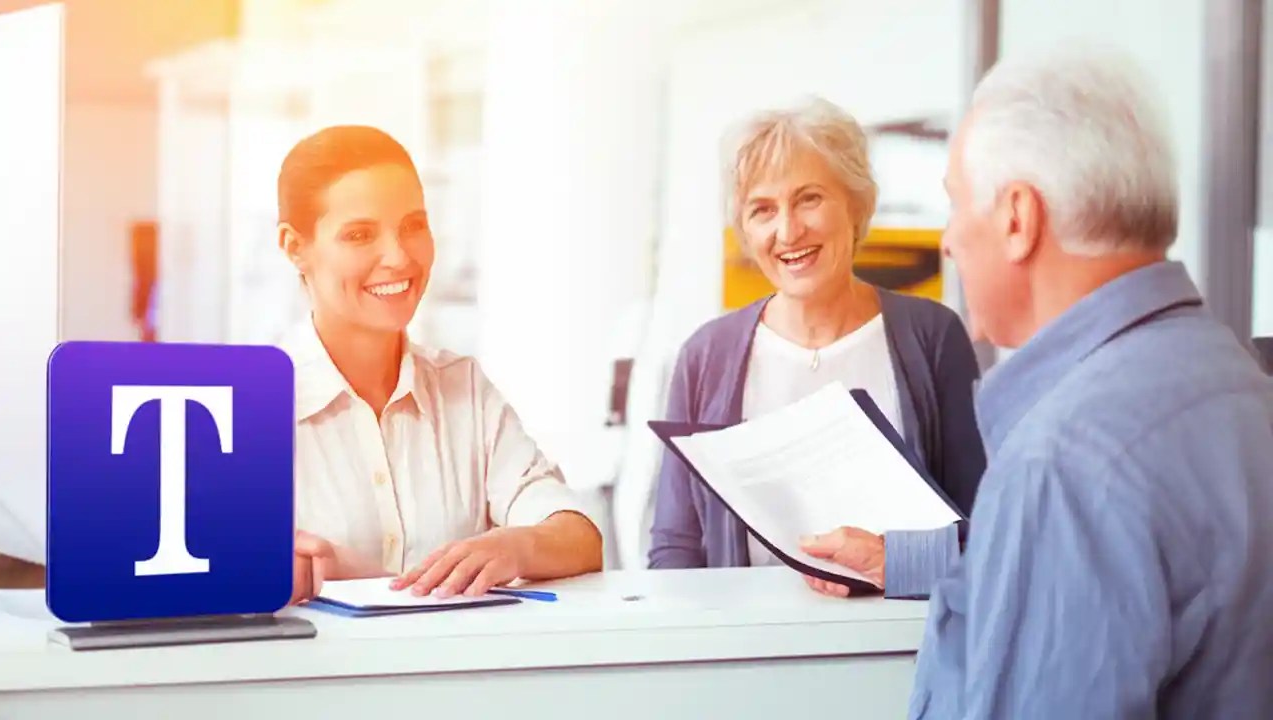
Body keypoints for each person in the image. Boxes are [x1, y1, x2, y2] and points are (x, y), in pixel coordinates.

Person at [891, 50, 1273, 718]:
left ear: (1018, 218)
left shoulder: (1063, 463)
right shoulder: (1236, 386)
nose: (948, 241)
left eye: (954, 204)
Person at [648, 97, 987, 600]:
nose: (788, 231)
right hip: (748, 658)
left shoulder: (933, 337)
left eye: (809, 199)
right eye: (762, 210)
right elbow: (675, 548)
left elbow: (985, 536)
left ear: (855, 205)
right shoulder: (705, 356)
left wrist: (897, 561)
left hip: (902, 654)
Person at [276, 125, 603, 603]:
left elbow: (579, 537)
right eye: (360, 234)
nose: (399, 256)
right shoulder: (245, 408)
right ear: (294, 248)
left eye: (413, 226)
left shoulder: (463, 390)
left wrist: (515, 545)